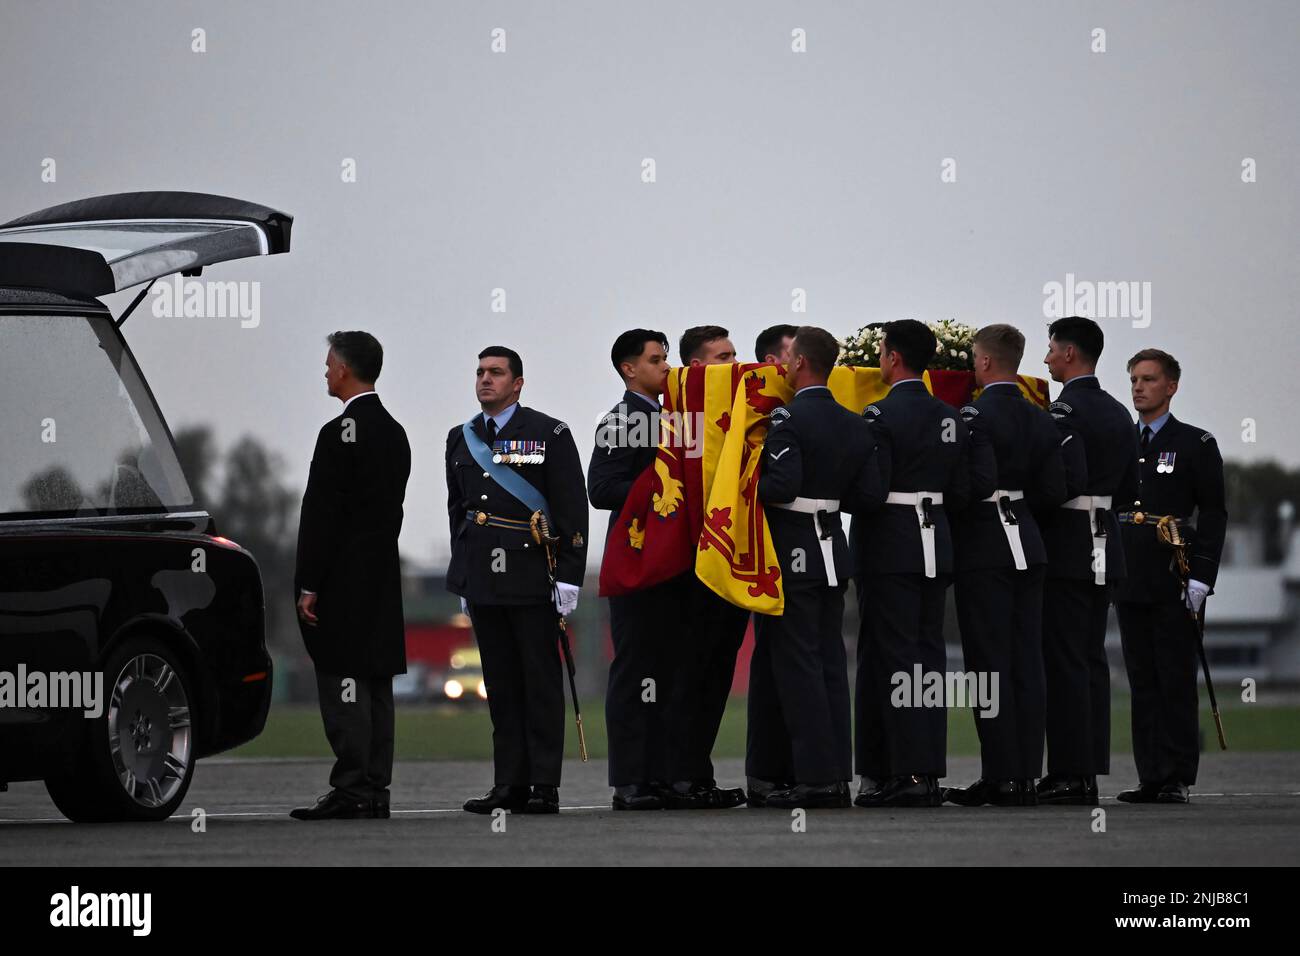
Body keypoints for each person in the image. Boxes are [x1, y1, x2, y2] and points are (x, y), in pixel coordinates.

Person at [851, 319, 995, 808]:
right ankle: (927, 772)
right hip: (937, 543)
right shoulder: (950, 416)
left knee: (892, 660)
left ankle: (904, 774)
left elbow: (871, 490)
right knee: (928, 659)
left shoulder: (878, 414)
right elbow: (960, 490)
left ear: (892, 357)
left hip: (890, 547)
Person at [445, 346, 588, 815]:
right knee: (501, 686)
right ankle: (508, 784)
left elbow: (571, 510)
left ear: (518, 384)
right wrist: (463, 576)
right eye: (481, 372)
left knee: (539, 684)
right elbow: (459, 514)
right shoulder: (460, 439)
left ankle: (543, 786)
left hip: (533, 576)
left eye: (497, 373)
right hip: (483, 580)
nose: (486, 380)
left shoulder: (549, 432)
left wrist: (568, 577)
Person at [753, 326, 885, 808]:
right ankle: (835, 775)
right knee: (831, 663)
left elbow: (782, 486)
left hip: (794, 552)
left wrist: (744, 485)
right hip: (834, 551)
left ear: (801, 364)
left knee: (798, 666)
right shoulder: (855, 422)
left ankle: (814, 779)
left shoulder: (788, 417)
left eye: (789, 360)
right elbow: (866, 495)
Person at [945, 324, 1069, 807]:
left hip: (985, 549)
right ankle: (1025, 773)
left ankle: (1002, 775)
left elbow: (966, 485)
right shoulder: (1041, 417)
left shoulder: (972, 415)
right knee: (1027, 662)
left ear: (985, 362)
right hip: (1029, 545)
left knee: (989, 664)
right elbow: (1055, 491)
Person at [291, 331, 411, 821]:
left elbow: (322, 515)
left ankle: (351, 787)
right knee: (377, 685)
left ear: (344, 369)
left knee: (343, 680)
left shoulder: (336, 433)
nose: (325, 371)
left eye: (328, 364)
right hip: (382, 577)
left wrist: (310, 582)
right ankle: (375, 787)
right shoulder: (396, 432)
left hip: (341, 581)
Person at [1113, 349, 1226, 804]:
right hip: (1131, 572)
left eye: (1148, 379)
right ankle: (1151, 775)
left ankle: (1177, 774)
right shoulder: (1122, 441)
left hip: (1175, 573)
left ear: (1171, 386)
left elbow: (1215, 512)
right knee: (1141, 677)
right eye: (1135, 379)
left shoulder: (1195, 443)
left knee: (1174, 676)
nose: (1139, 387)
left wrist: (1203, 575)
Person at [1037, 316, 1139, 805]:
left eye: (1052, 349)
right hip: (1105, 541)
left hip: (1070, 545)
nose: (1047, 357)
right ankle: (1087, 769)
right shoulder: (1120, 412)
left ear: (1071, 353)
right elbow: (1129, 490)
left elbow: (1060, 484)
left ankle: (1070, 773)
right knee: (1091, 659)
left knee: (1065, 661)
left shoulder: (1064, 411)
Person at [660, 325, 749, 809]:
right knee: (691, 676)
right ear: (695, 368)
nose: (733, 364)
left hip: (728, 568)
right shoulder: (675, 419)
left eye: (735, 354)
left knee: (715, 675)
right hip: (691, 571)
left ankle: (697, 775)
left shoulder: (738, 413)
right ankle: (681, 777)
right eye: (722, 357)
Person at [588, 329, 676, 810]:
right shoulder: (621, 420)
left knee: (664, 671)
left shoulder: (672, 419)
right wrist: (659, 493)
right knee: (635, 671)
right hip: (637, 560)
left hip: (668, 565)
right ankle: (630, 780)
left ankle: (660, 773)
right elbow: (600, 489)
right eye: (656, 359)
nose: (666, 367)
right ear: (629, 369)